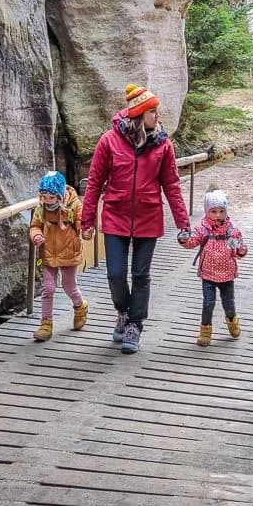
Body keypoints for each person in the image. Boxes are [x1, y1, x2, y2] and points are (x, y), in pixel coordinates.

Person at [81, 83, 191, 354]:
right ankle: (123, 311)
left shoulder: (163, 145)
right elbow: (94, 182)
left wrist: (183, 225)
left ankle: (134, 325)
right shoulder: (109, 141)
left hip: (148, 217)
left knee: (141, 274)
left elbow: (173, 186)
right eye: (154, 111)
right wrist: (86, 222)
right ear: (140, 113)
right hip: (116, 215)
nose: (158, 116)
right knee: (115, 273)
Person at [184, 186, 247, 346]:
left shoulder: (231, 231)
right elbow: (192, 242)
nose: (218, 215)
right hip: (208, 273)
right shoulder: (202, 228)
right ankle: (205, 330)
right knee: (208, 303)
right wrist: (184, 239)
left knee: (228, 304)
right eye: (213, 211)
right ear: (207, 211)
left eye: (221, 211)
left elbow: (237, 252)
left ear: (225, 211)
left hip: (227, 274)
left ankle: (232, 320)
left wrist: (241, 249)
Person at [29, 170, 88, 341]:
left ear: (60, 195)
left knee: (69, 286)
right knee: (48, 288)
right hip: (47, 252)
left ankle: (80, 306)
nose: (48, 201)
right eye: (44, 197)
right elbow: (35, 226)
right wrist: (36, 235)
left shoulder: (74, 206)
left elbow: (82, 223)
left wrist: (85, 231)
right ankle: (46, 324)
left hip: (68, 250)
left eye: (51, 198)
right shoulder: (41, 208)